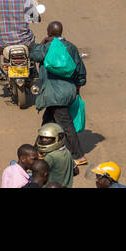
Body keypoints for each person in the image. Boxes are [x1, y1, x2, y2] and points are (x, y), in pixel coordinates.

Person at [30, 21, 88, 166]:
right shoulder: (71, 47)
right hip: (69, 91)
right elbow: (80, 71)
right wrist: (77, 87)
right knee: (48, 120)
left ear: (49, 32)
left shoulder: (47, 47)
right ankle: (38, 151)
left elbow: (33, 54)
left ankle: (78, 155)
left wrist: (42, 42)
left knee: (66, 125)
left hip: (53, 93)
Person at [35, 122, 76, 188]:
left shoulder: (51, 156)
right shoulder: (67, 152)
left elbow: (40, 172)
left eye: (48, 138)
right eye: (42, 137)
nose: (44, 140)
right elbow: (76, 170)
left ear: (58, 139)